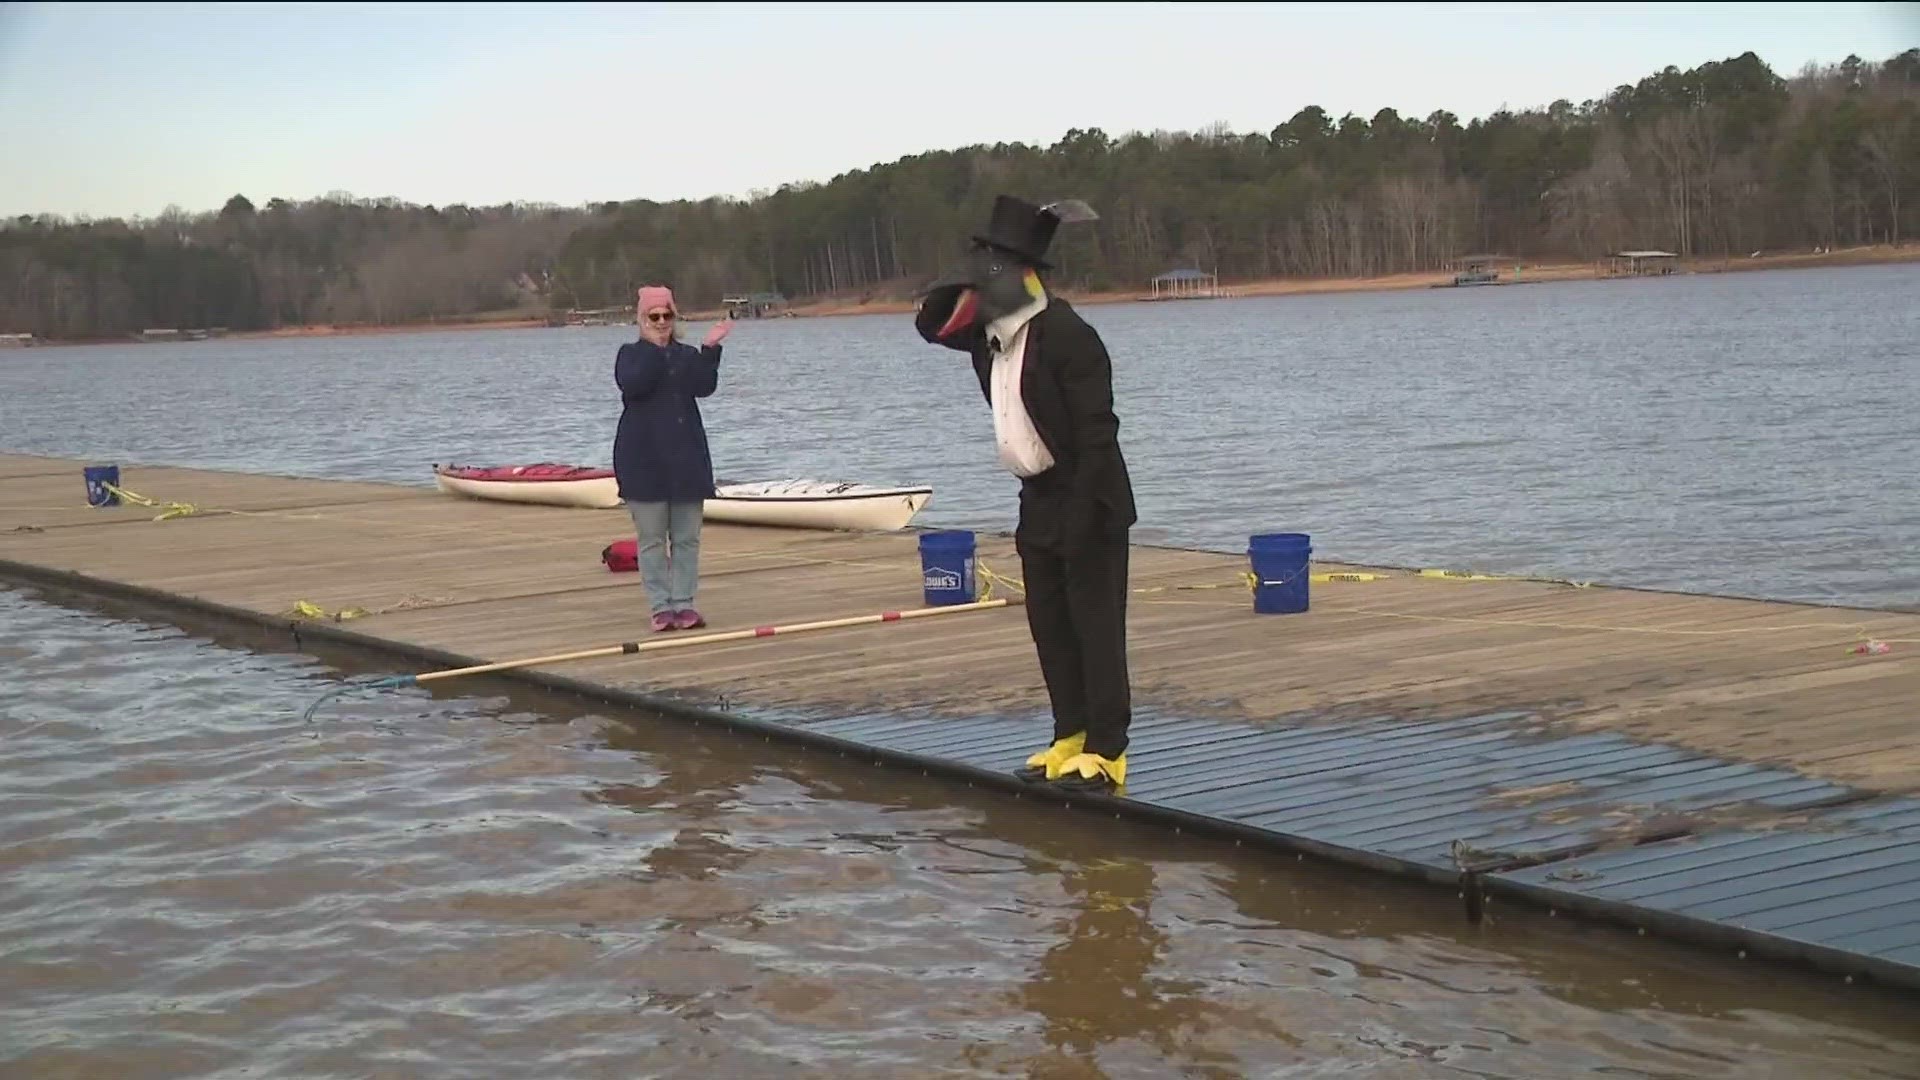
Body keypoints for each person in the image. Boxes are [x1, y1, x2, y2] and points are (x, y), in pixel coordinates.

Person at [913, 195, 1138, 794]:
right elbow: (929, 323)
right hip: (1035, 494)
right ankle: (1069, 735)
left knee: (1094, 624)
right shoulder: (990, 333)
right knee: (1050, 623)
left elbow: (1098, 435)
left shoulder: (1068, 334)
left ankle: (1107, 749)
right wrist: (961, 275)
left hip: (1089, 494)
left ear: (1024, 276)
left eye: (993, 271)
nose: (982, 284)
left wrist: (1083, 516)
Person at [613, 284, 731, 632]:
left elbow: (704, 386)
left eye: (667, 315)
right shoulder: (630, 355)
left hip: (686, 461)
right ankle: (660, 607)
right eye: (654, 316)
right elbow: (634, 384)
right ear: (642, 318)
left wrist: (709, 349)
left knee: (686, 539)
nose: (662, 322)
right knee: (651, 540)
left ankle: (684, 604)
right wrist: (653, 346)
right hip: (643, 462)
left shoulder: (685, 355)